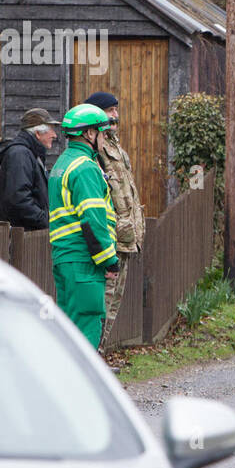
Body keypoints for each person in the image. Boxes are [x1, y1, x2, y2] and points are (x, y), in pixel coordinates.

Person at [48, 104, 119, 350]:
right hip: (84, 262)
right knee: (86, 329)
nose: (104, 139)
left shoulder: (62, 164)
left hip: (65, 259)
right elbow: (93, 220)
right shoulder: (86, 167)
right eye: (102, 132)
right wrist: (109, 260)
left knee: (67, 328)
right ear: (89, 134)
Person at [83, 92, 144, 347]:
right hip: (109, 239)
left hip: (126, 236)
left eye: (116, 110)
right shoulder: (95, 151)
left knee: (113, 305)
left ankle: (100, 353)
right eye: (110, 111)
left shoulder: (116, 147)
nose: (116, 116)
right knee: (102, 304)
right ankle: (92, 356)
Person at [0, 108, 59, 230]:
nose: (54, 135)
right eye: (51, 130)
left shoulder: (30, 153)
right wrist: (46, 222)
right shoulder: (20, 154)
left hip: (28, 234)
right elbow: (19, 199)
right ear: (38, 134)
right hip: (21, 237)